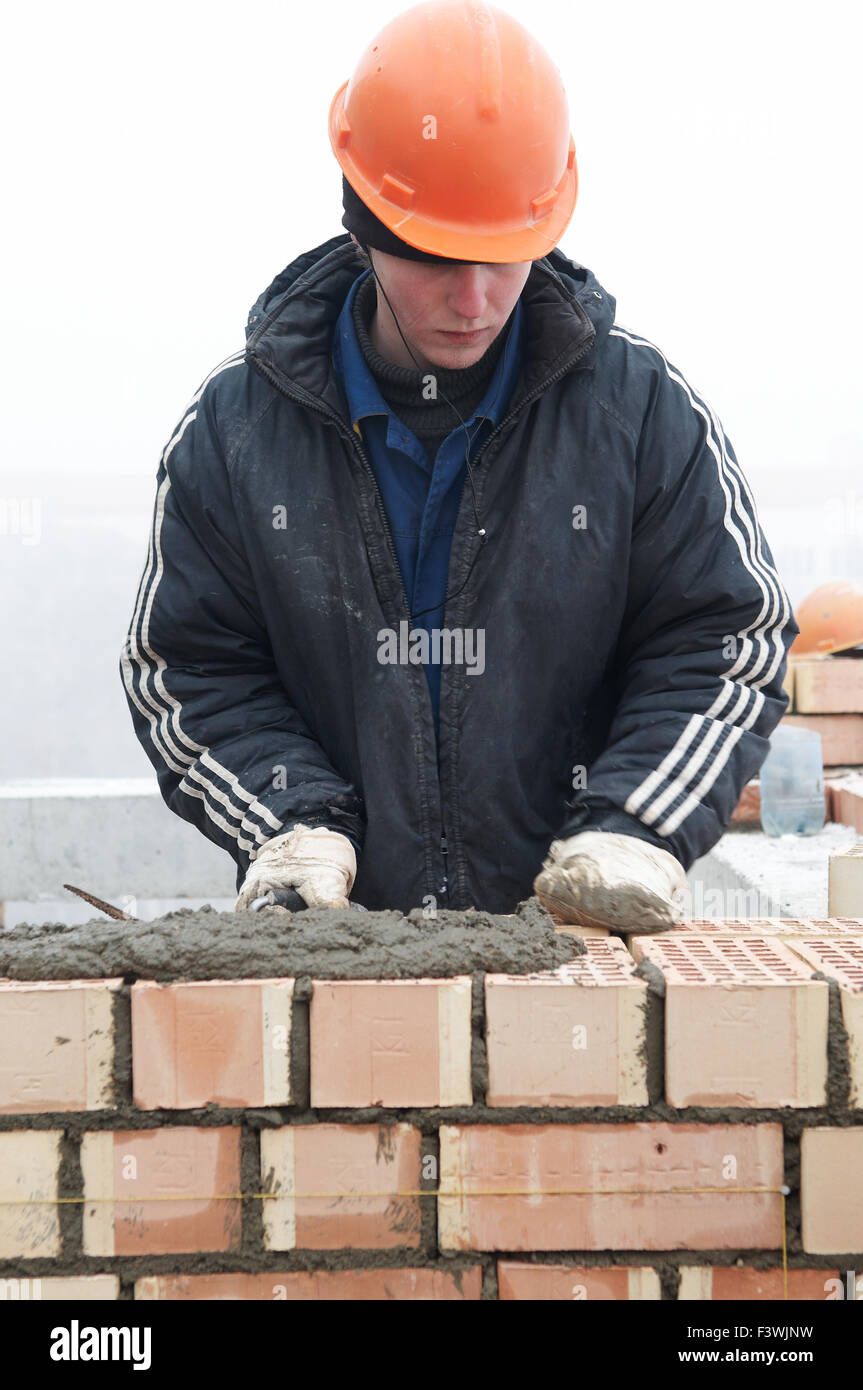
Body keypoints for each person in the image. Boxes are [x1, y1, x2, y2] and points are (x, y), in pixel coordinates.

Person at [120, 0, 796, 933]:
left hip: (576, 952)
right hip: (343, 954)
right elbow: (187, 664)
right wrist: (294, 822)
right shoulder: (237, 432)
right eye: (436, 255)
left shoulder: (638, 410)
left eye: (505, 255)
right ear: (363, 226)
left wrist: (634, 825)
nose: (474, 300)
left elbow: (727, 639)